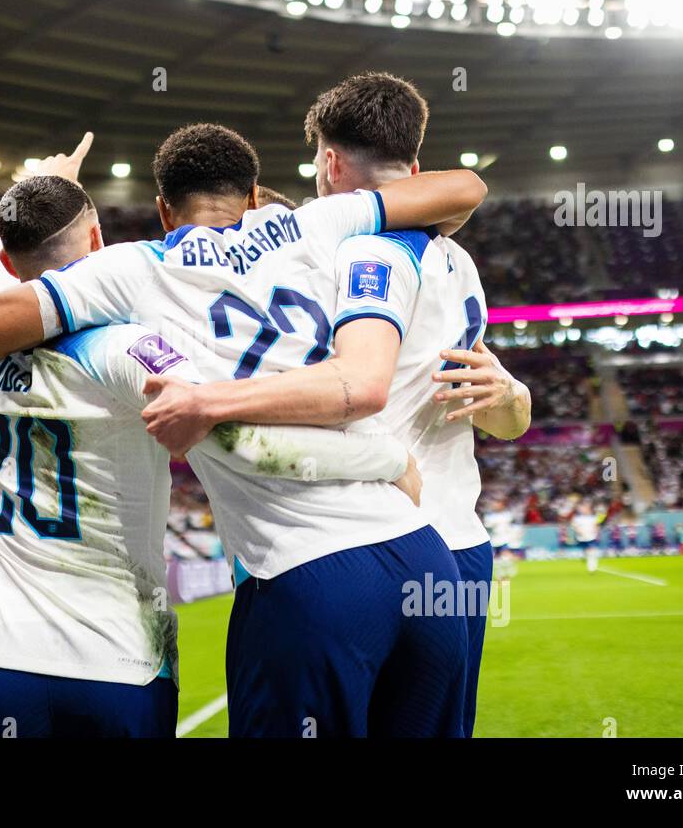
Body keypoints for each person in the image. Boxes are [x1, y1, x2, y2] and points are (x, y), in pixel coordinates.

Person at [0, 123, 486, 737]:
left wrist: (44, 196)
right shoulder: (317, 222)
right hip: (422, 557)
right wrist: (389, 459)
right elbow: (465, 187)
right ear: (255, 195)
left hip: (304, 576)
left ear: (162, 209)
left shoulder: (135, 270)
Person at [116, 73, 530, 736]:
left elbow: (355, 384)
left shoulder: (356, 251)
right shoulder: (458, 259)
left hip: (369, 539)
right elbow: (503, 418)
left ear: (330, 163)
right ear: (415, 169)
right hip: (461, 549)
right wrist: (513, 395)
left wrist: (210, 399)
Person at [571, 502, 601, 573]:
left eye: (585, 508)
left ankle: (591, 568)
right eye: (582, 509)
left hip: (591, 537)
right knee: (586, 551)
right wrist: (579, 531)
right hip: (581, 538)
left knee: (591, 551)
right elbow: (575, 526)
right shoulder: (577, 518)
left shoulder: (593, 517)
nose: (583, 510)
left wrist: (596, 532)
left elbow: (596, 525)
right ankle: (585, 556)